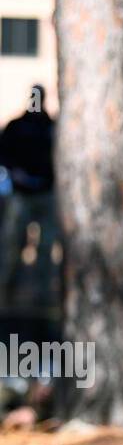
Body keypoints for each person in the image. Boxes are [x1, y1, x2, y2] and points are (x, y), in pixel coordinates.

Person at [0, 86, 56, 312]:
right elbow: (3, 154)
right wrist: (16, 174)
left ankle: (40, 301)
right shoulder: (17, 127)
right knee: (12, 246)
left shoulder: (50, 127)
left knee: (45, 247)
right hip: (21, 194)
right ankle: (6, 298)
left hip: (46, 194)